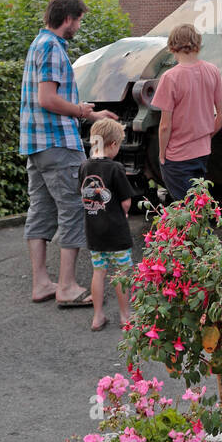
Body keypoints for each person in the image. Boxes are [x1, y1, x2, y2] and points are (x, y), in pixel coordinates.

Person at [20, 0, 118, 308]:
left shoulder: (38, 44)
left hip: (37, 145)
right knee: (76, 210)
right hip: (58, 144)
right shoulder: (52, 48)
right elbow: (48, 100)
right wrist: (79, 111)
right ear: (68, 19)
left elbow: (48, 100)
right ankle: (66, 286)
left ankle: (41, 283)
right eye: (78, 21)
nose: (78, 27)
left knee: (41, 211)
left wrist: (92, 114)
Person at [152, 23, 222, 203]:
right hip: (202, 152)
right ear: (198, 44)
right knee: (197, 205)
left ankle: (204, 232)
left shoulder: (170, 77)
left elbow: (165, 125)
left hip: (177, 155)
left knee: (185, 211)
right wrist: (205, 137)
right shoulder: (212, 71)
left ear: (171, 46)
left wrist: (162, 154)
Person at [78, 117, 135, 332]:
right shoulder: (115, 168)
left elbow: (83, 195)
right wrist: (125, 214)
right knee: (121, 273)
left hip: (94, 233)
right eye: (118, 145)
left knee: (98, 272)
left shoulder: (84, 166)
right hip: (116, 234)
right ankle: (125, 315)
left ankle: (97, 316)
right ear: (112, 144)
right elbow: (126, 201)